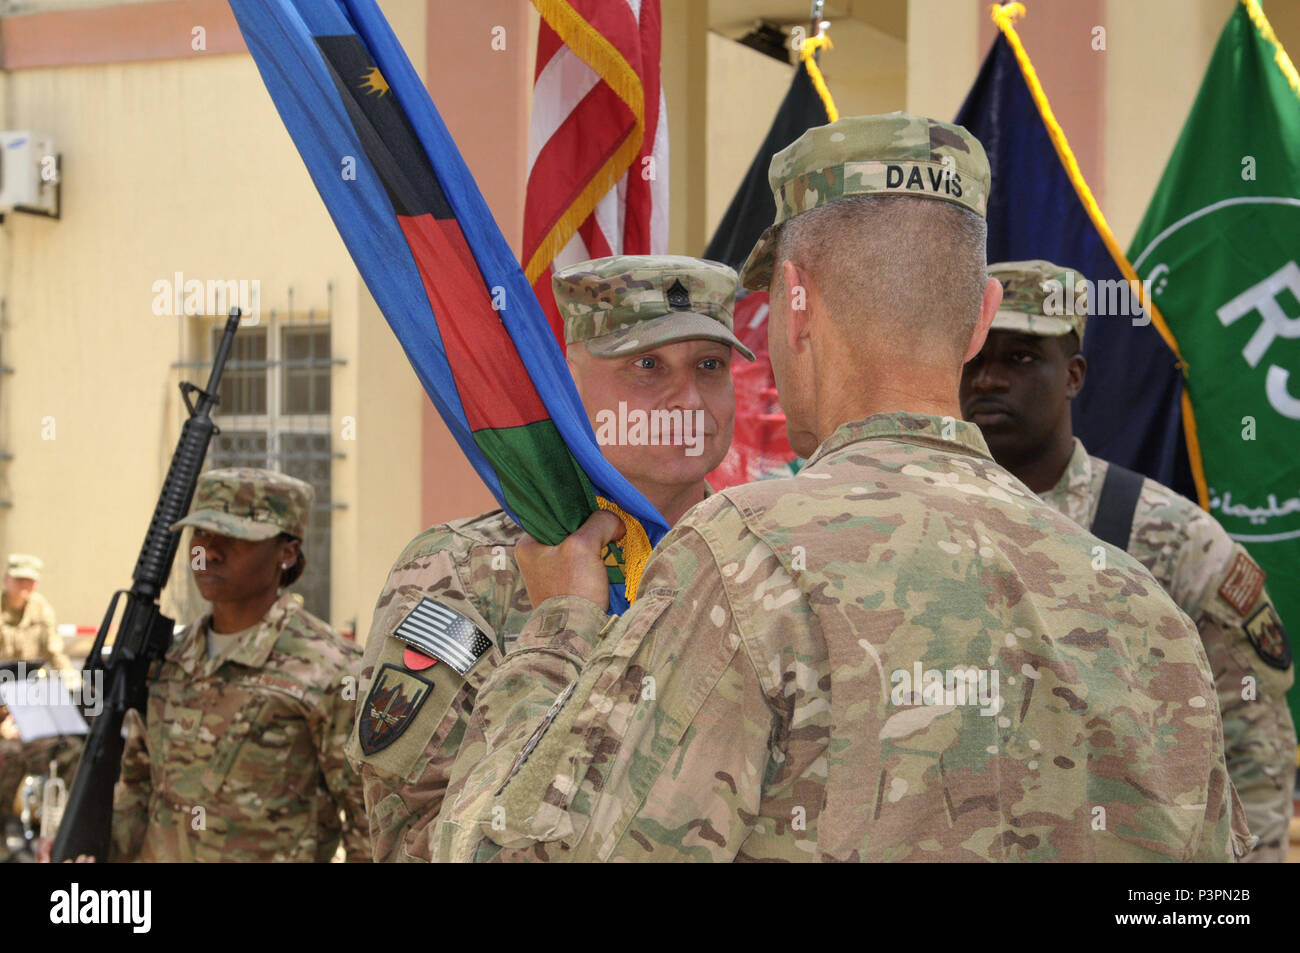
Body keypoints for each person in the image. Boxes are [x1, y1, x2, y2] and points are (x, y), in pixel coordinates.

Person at [431, 112, 1250, 862]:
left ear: (795, 305)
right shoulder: (1146, 610)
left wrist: (558, 629)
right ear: (980, 317)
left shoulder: (745, 564)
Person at [346, 254, 753, 861]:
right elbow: (411, 838)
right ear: (565, 386)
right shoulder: (460, 570)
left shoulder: (760, 562)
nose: (688, 398)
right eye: (647, 366)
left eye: (710, 366)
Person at [959, 259, 1296, 862]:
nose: (989, 380)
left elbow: (1251, 743)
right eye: (976, 359)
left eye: (1021, 358)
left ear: (1074, 375)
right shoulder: (921, 523)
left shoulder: (1167, 538)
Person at [109, 468, 368, 862]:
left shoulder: (332, 670)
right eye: (202, 534)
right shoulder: (168, 661)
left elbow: (367, 819)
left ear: (287, 552)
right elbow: (138, 787)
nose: (208, 552)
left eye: (234, 537)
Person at [0, 554, 82, 852]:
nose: (25, 587)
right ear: (7, 580)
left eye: (30, 581)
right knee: (7, 754)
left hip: (32, 706)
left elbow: (56, 654)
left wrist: (76, 691)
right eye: (19, 580)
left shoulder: (40, 609)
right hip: (3, 714)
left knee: (74, 752)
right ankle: (6, 825)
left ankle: (70, 830)